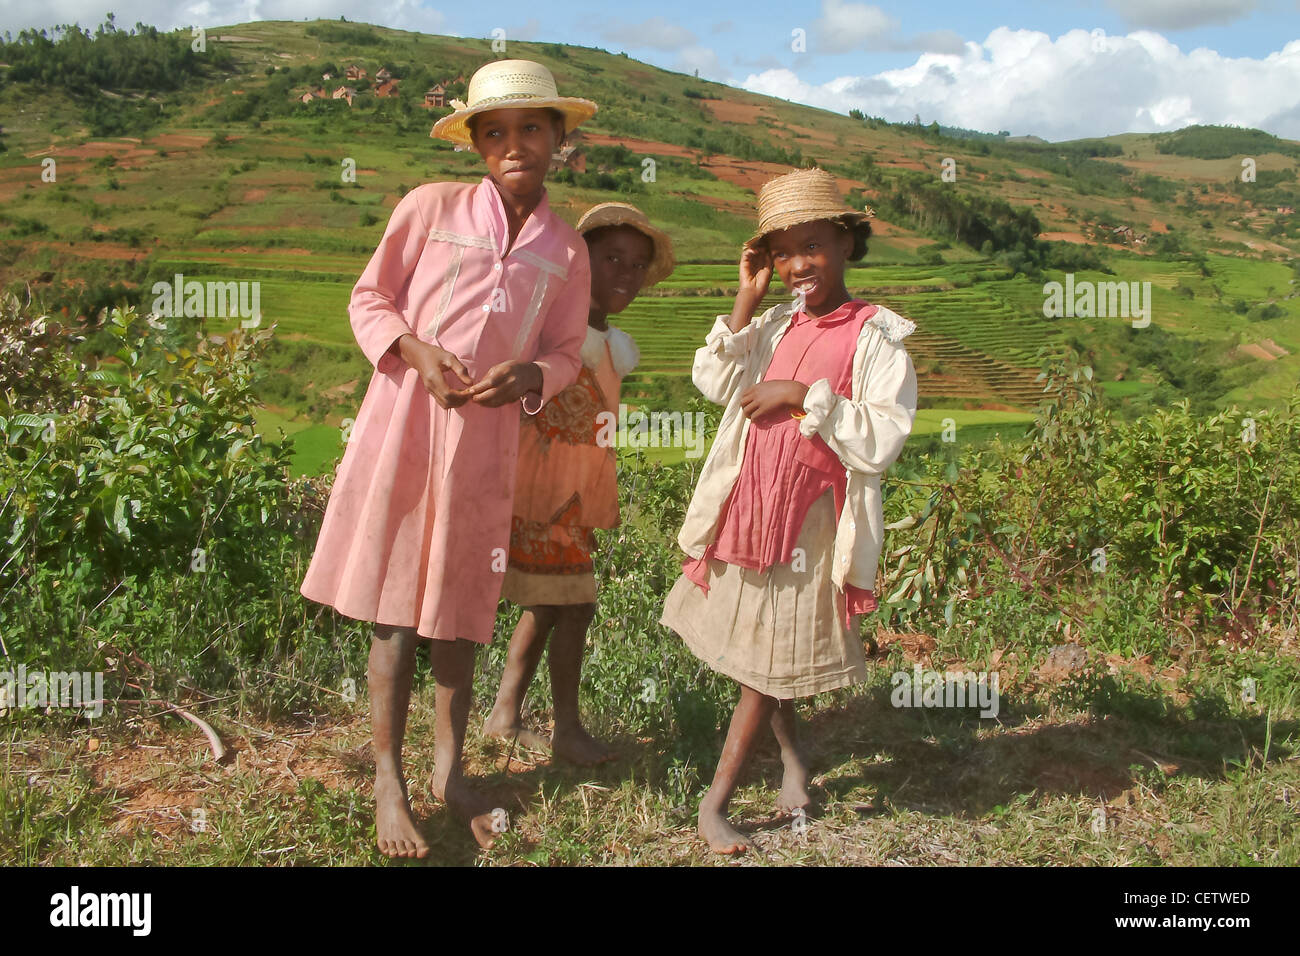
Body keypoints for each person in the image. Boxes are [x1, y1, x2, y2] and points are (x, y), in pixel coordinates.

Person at [300, 59, 597, 858]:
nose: (512, 144)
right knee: (397, 613)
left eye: (530, 127)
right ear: (473, 140)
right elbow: (371, 297)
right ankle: (389, 783)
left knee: (461, 614)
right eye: (494, 130)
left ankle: (450, 774)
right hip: (406, 427)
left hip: (489, 445)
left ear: (558, 138)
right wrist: (414, 349)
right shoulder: (429, 207)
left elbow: (567, 350)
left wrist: (533, 375)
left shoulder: (565, 249)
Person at [659, 167, 918, 855]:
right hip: (750, 510)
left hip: (812, 524)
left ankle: (714, 805)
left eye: (813, 245)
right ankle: (796, 765)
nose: (798, 263)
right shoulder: (773, 324)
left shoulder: (876, 339)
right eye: (782, 251)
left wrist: (803, 396)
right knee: (763, 657)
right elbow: (715, 381)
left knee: (761, 665)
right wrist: (744, 300)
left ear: (845, 243)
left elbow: (885, 436)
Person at [484, 203, 676, 765]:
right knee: (573, 606)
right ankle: (566, 730)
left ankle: (504, 713)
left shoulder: (609, 342)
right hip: (545, 493)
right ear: (580, 261)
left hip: (574, 495)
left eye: (637, 264)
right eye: (611, 257)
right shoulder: (555, 331)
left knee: (551, 604)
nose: (625, 273)